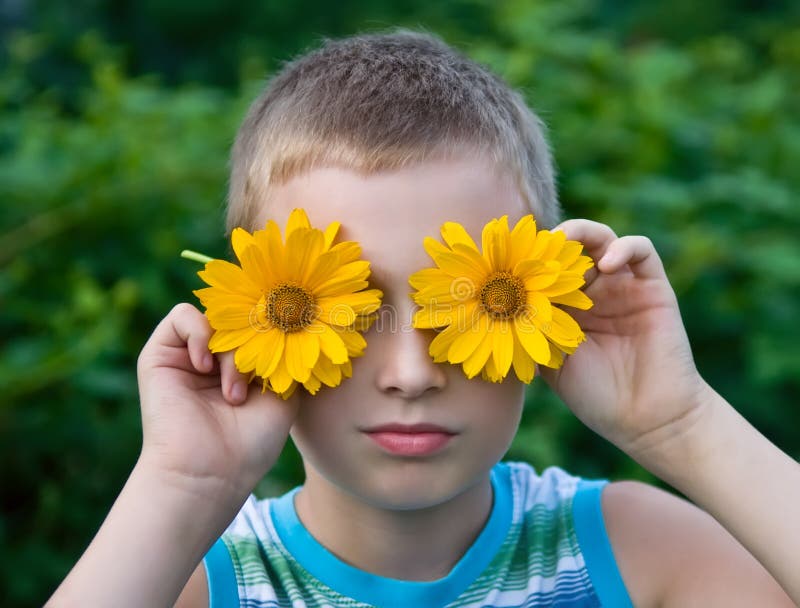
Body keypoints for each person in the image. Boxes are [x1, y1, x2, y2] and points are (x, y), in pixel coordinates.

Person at [48, 31, 798, 607]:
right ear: (253, 317)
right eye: (354, 309)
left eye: (468, 304)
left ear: (547, 304)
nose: (411, 374)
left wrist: (681, 426)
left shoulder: (635, 554)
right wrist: (181, 486)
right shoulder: (195, 582)